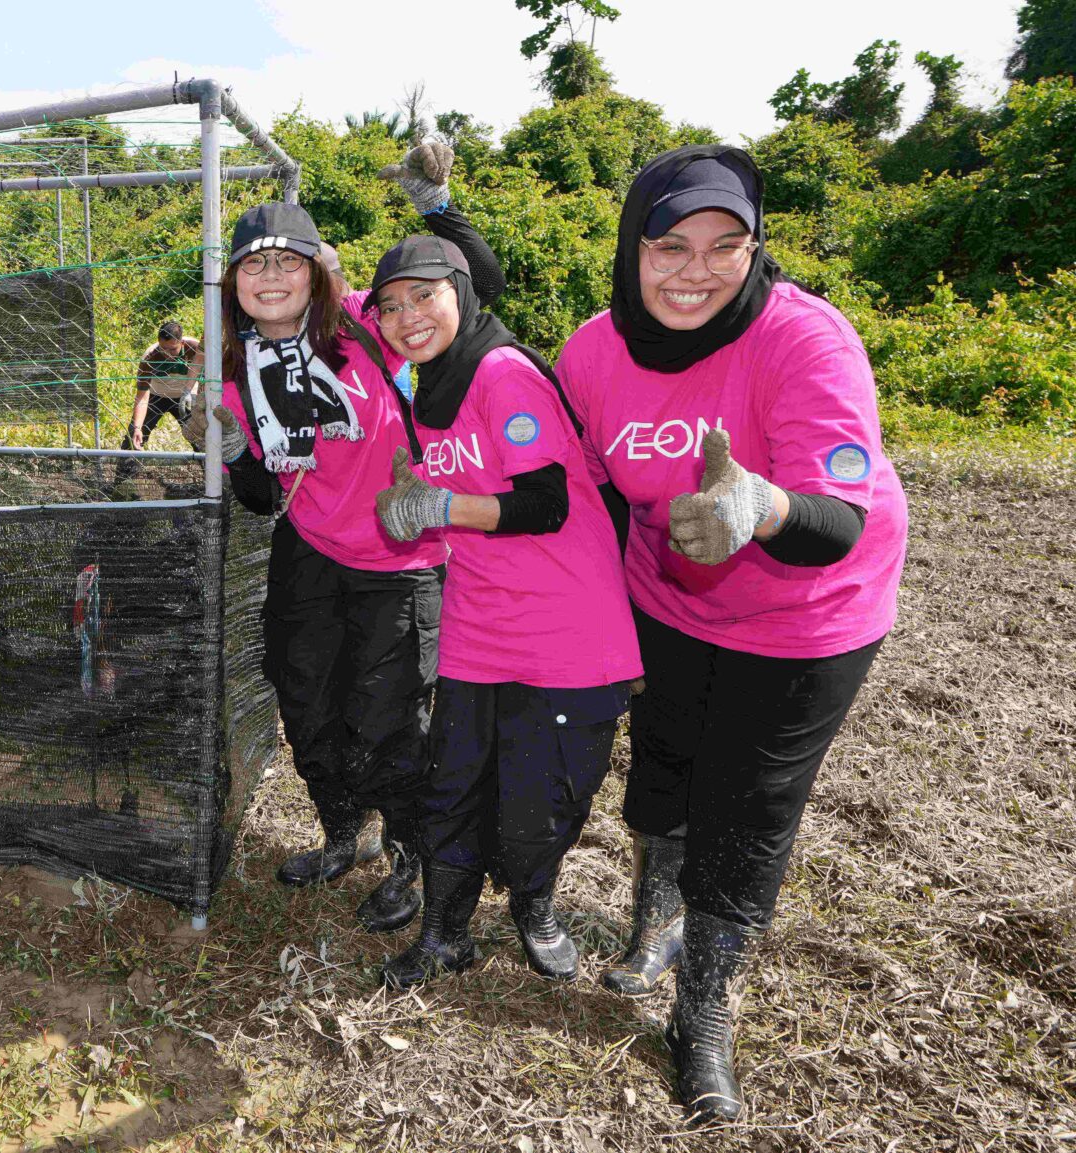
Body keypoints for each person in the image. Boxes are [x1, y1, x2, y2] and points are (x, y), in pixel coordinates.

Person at [554, 145, 906, 1125]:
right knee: (661, 763)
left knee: (744, 807)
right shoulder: (591, 351)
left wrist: (760, 505)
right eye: (668, 245)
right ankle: (652, 915)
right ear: (632, 249)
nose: (693, 270)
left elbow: (837, 516)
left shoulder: (806, 342)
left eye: (725, 244)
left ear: (756, 249)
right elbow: (577, 483)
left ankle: (700, 1010)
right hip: (666, 595)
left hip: (808, 615)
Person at [179, 141, 504, 932]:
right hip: (311, 548)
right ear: (234, 283)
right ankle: (341, 832)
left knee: (388, 718)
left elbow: (475, 291)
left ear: (315, 270)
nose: (270, 278)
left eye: (286, 262)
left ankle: (409, 855)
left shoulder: (366, 321)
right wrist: (221, 448)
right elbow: (260, 494)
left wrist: (435, 204)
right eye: (252, 267)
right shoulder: (235, 366)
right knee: (309, 705)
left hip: (403, 554)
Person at [363, 235, 640, 989]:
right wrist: (414, 504)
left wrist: (439, 504)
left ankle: (534, 902)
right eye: (390, 306)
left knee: (541, 790)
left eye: (424, 295)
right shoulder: (427, 387)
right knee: (453, 776)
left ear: (462, 291)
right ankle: (446, 933)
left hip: (565, 623)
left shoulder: (503, 372)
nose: (407, 315)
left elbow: (545, 502)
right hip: (479, 618)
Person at [123, 321, 201, 450]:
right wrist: (137, 428)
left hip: (185, 396)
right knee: (134, 438)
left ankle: (211, 469)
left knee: (200, 439)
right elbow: (142, 398)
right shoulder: (150, 357)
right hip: (156, 396)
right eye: (163, 349)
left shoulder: (195, 350)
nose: (167, 354)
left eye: (172, 349)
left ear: (182, 343)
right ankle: (126, 469)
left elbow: (208, 381)